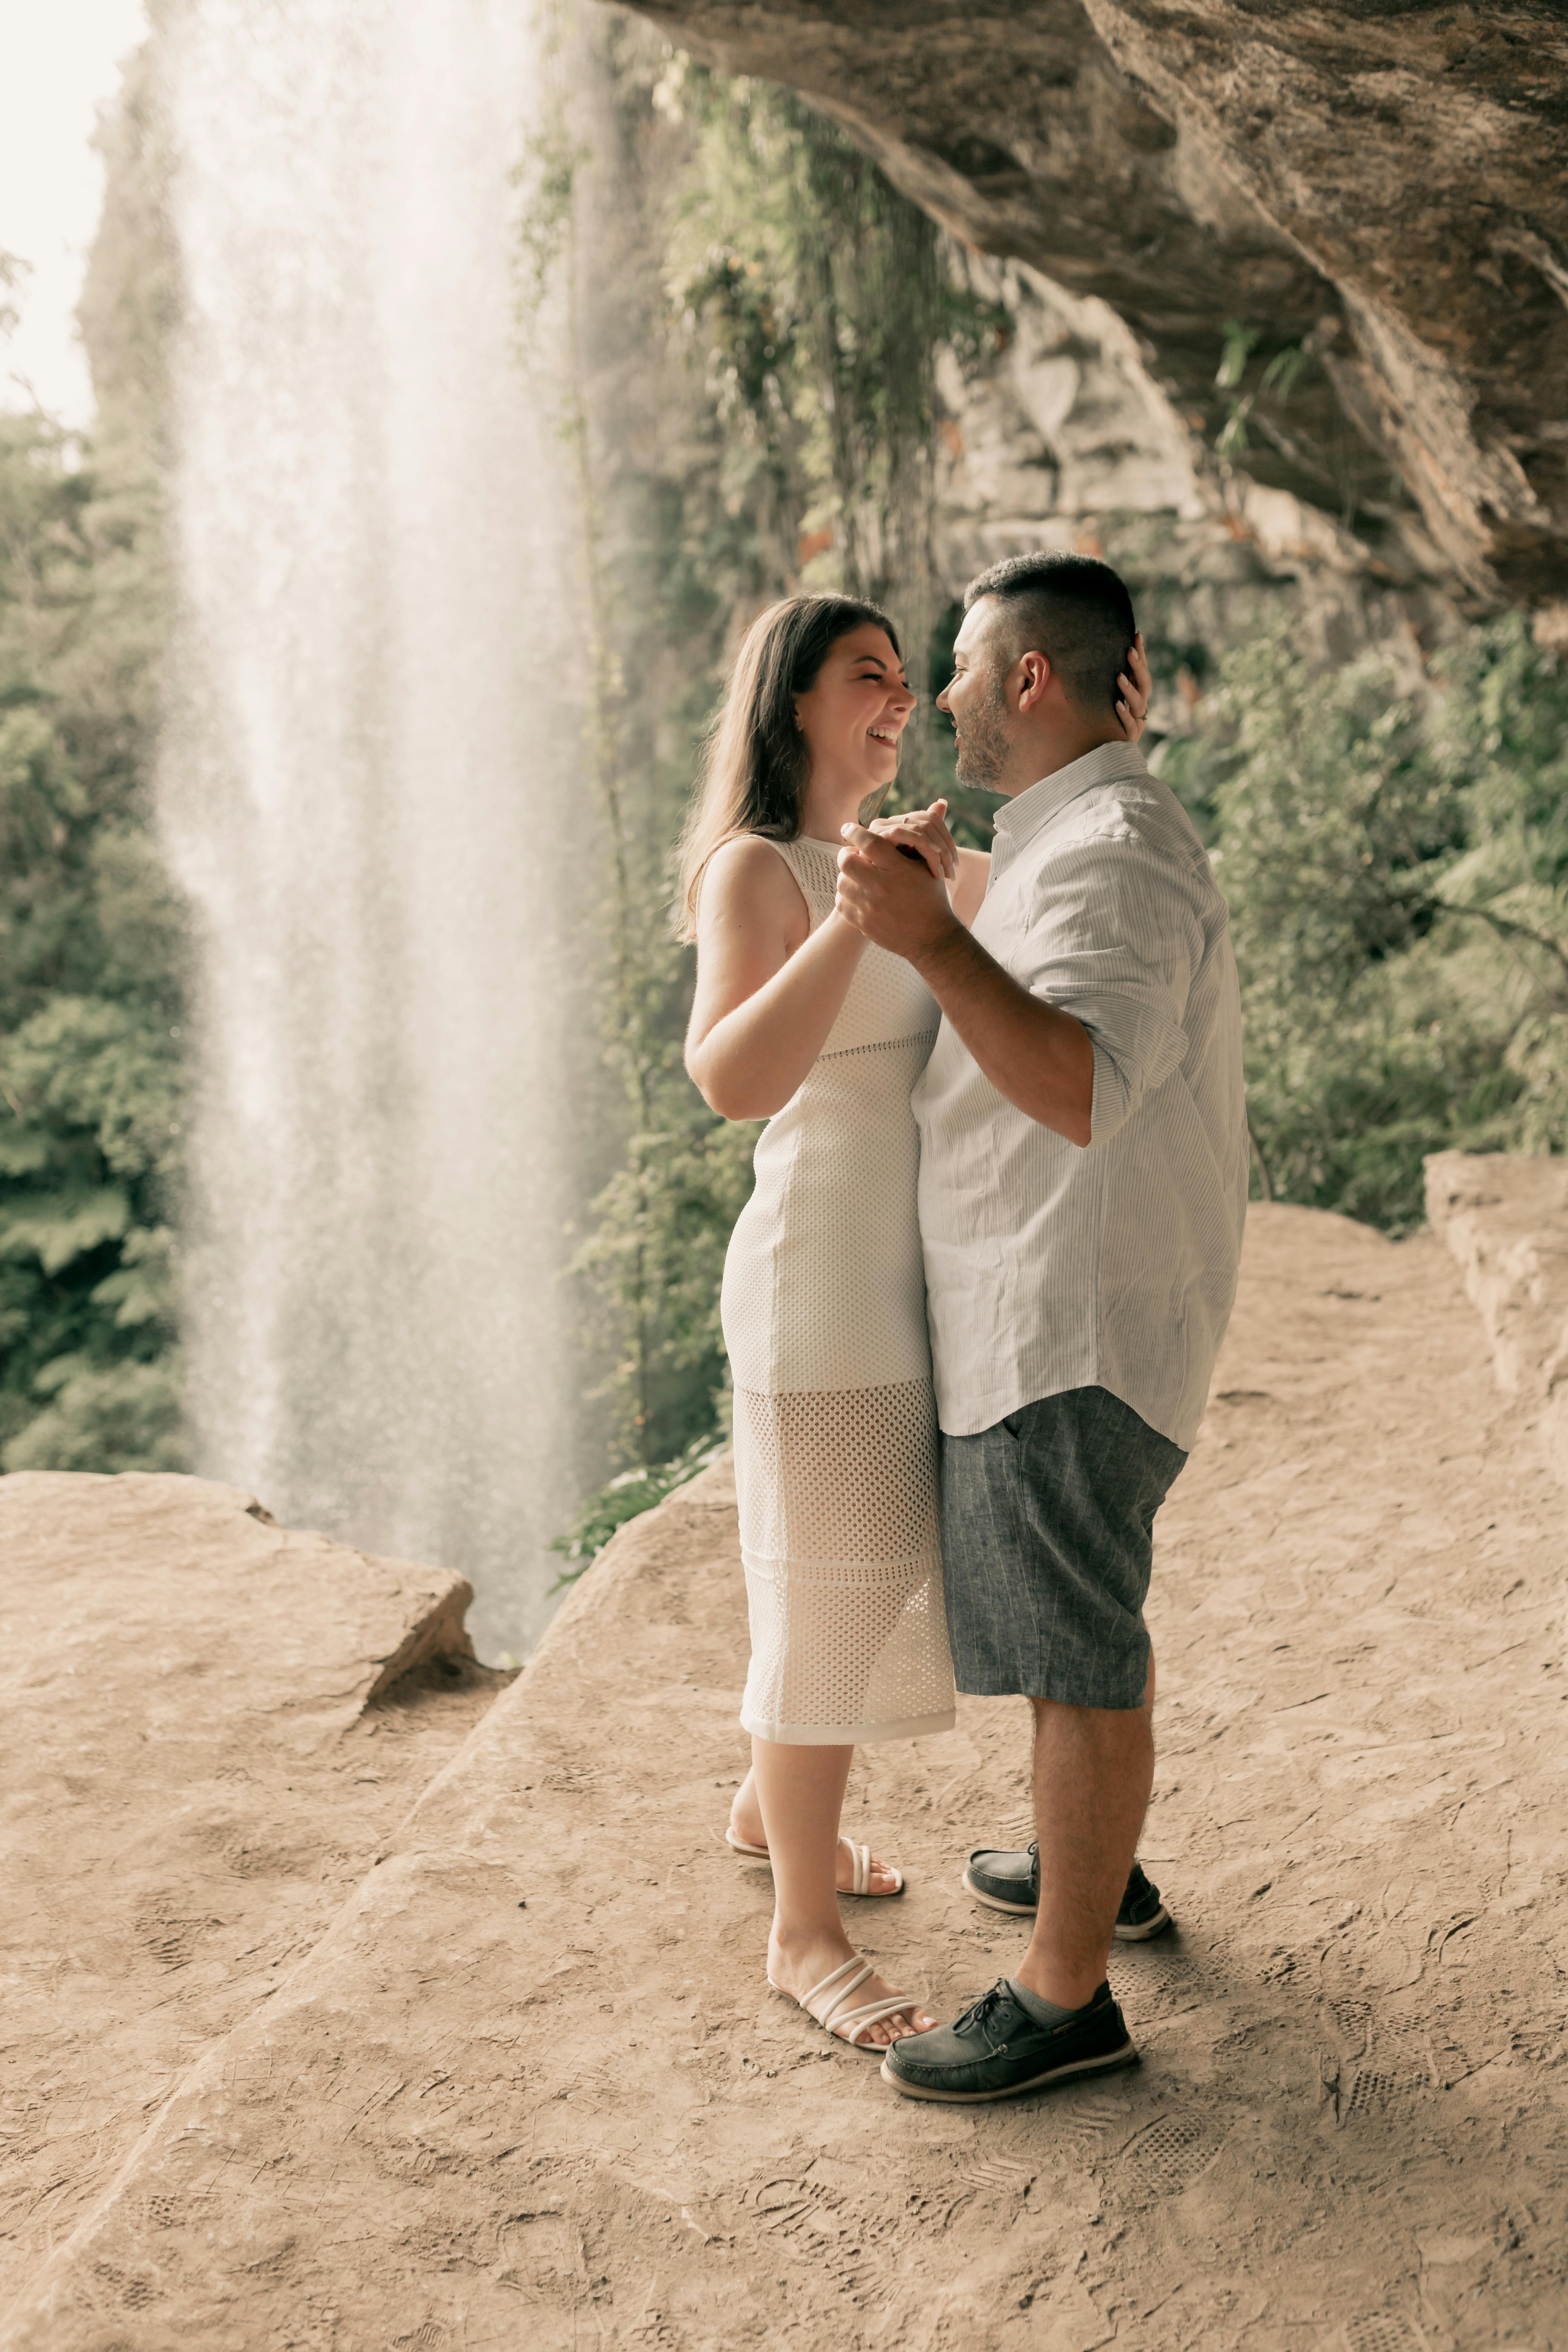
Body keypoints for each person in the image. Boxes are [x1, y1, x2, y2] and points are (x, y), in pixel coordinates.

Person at [679, 589, 1153, 2055]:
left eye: (908, 676)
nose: (898, 699)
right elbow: (729, 1080)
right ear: (792, 701)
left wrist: (1112, 751)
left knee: (884, 1564)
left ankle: (773, 1804)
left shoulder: (939, 863)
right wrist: (854, 916)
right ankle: (799, 1930)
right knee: (824, 1578)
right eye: (866, 675)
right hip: (818, 1265)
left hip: (934, 1271)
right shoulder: (757, 872)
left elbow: (1069, 910)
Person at [835, 551, 1247, 2104]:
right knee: (1061, 1633)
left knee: (1078, 1654)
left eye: (956, 664)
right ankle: (1095, 1872)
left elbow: (1078, 1085)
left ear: (1026, 680)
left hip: (1072, 1316)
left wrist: (928, 942)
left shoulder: (1115, 851)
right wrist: (951, 904)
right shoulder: (1068, 833)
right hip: (1040, 1300)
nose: (936, 696)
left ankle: (1063, 1995)